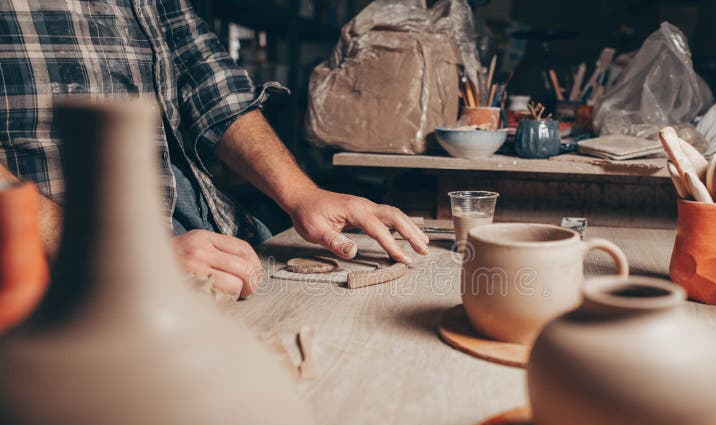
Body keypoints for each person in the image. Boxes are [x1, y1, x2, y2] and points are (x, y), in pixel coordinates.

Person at [0, 1, 429, 299]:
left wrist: (304, 194)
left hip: (201, 230)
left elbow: (210, 81)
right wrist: (116, 252)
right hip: (66, 265)